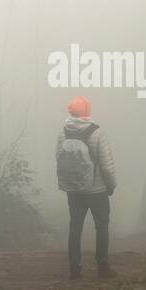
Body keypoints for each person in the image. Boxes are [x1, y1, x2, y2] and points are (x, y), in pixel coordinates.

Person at [55, 96, 117, 279]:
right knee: (102, 226)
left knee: (75, 227)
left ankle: (74, 269)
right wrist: (111, 186)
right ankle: (103, 268)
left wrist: (68, 183)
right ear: (87, 112)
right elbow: (107, 165)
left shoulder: (63, 133)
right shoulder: (97, 133)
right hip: (97, 190)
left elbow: (59, 160)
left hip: (74, 191)